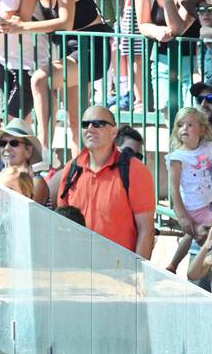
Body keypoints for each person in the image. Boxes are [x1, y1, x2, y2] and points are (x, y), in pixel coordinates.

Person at [3, 0, 111, 155]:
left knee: (40, 79)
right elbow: (21, 19)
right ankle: (77, 170)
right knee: (74, 118)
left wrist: (22, 25)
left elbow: (65, 23)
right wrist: (3, 21)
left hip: (91, 48)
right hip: (69, 52)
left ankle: (43, 149)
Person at [56, 106, 156, 258]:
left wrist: (138, 276)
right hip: (77, 267)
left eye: (98, 124)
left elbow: (146, 230)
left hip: (119, 272)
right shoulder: (72, 168)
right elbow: (61, 223)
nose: (90, 128)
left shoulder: (135, 170)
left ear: (113, 132)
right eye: (85, 124)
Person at [135, 0, 202, 112]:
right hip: (161, 59)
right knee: (167, 110)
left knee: (190, 113)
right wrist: (157, 31)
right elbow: (143, 24)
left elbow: (178, 29)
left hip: (191, 61)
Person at [164, 107, 212, 274]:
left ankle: (173, 265)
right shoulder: (177, 157)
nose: (184, 129)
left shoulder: (205, 149)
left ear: (202, 129)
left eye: (190, 125)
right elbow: (174, 189)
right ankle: (204, 267)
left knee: (190, 236)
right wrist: (183, 217)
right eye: (180, 125)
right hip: (194, 207)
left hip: (204, 204)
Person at [0, 118, 48, 205]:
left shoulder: (36, 182)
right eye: (3, 143)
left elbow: (27, 214)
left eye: (14, 143)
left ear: (29, 150)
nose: (7, 148)